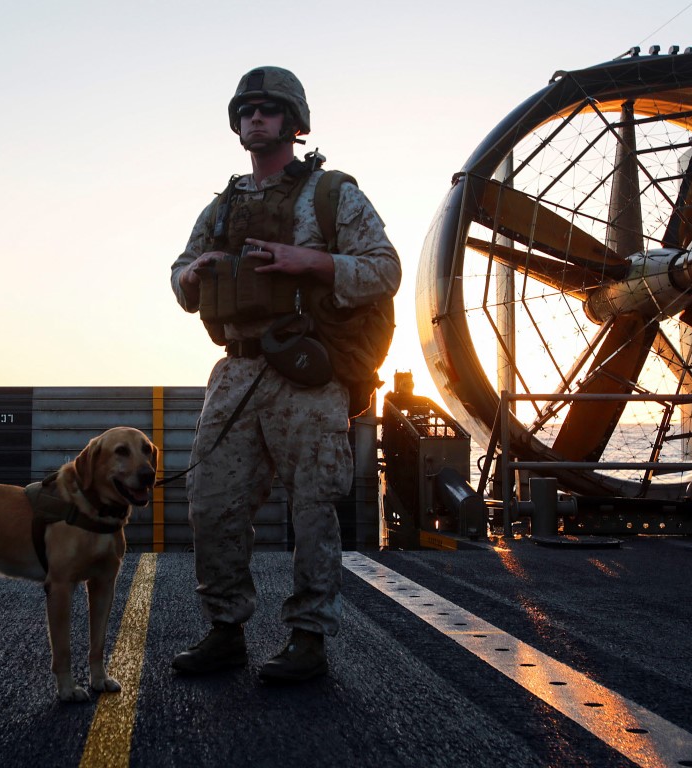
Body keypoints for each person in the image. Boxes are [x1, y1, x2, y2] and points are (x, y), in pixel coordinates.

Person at [169, 66, 400, 682]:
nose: (255, 118)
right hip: (237, 371)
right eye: (246, 110)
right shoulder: (221, 207)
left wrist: (311, 261)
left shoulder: (331, 194)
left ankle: (308, 638)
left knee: (314, 506)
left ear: (294, 122)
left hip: (306, 370)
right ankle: (225, 630)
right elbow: (180, 278)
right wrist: (192, 275)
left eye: (269, 109)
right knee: (211, 501)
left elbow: (383, 270)